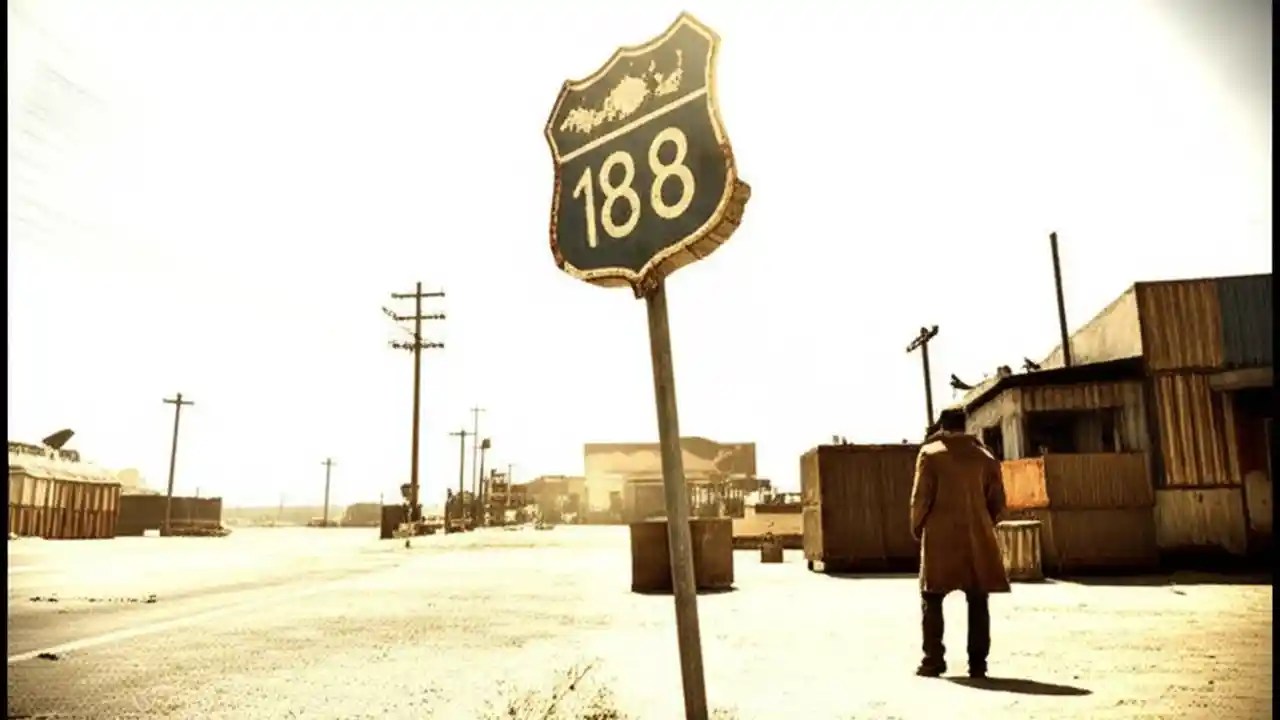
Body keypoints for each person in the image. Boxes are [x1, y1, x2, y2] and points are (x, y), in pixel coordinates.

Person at [909, 407, 1010, 678]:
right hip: (977, 535)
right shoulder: (985, 456)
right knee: (978, 599)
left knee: (931, 597)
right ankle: (978, 664)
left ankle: (933, 661)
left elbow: (921, 499)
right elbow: (998, 502)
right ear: (966, 426)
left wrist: (918, 527)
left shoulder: (930, 455)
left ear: (942, 427)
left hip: (940, 536)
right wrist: (983, 522)